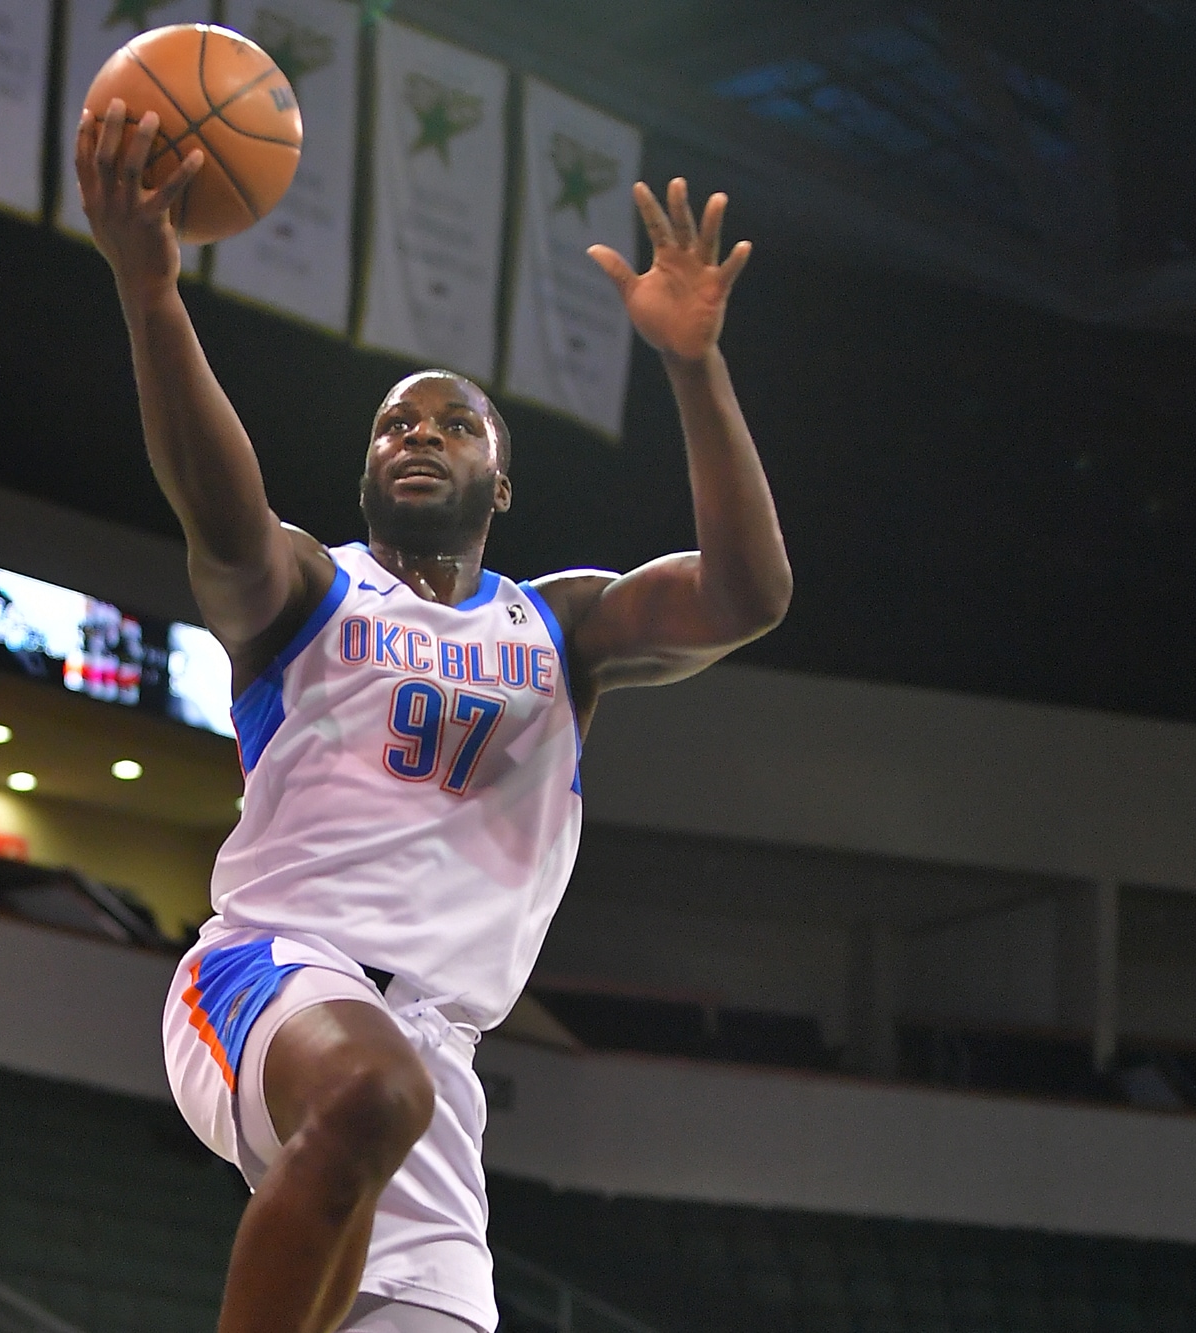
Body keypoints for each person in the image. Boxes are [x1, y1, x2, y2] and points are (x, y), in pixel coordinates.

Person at [77, 99, 791, 1333]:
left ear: (498, 482)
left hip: (434, 1060)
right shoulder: (307, 587)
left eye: (453, 424)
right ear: (365, 475)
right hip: (272, 977)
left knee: (395, 1131)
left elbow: (746, 596)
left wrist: (691, 363)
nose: (419, 435)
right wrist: (152, 298)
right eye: (393, 424)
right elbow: (215, 509)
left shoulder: (559, 631)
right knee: (366, 1090)